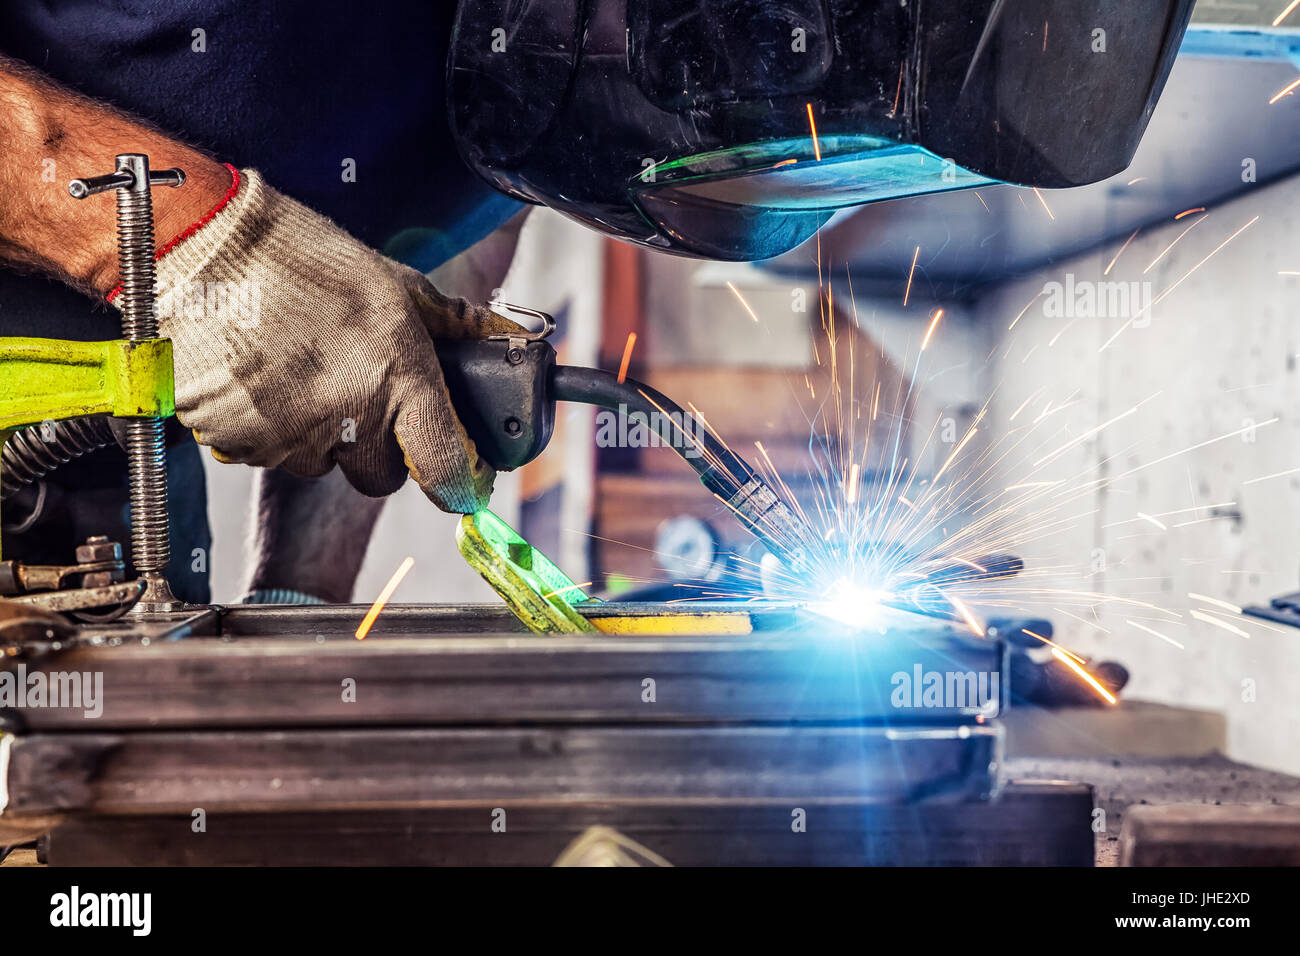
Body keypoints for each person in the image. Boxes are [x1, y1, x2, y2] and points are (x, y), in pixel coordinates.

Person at [0, 3, 523, 603]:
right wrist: (196, 250)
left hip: (140, 473)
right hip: (27, 421)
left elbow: (472, 219)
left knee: (161, 674)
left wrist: (301, 603)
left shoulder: (539, 88)